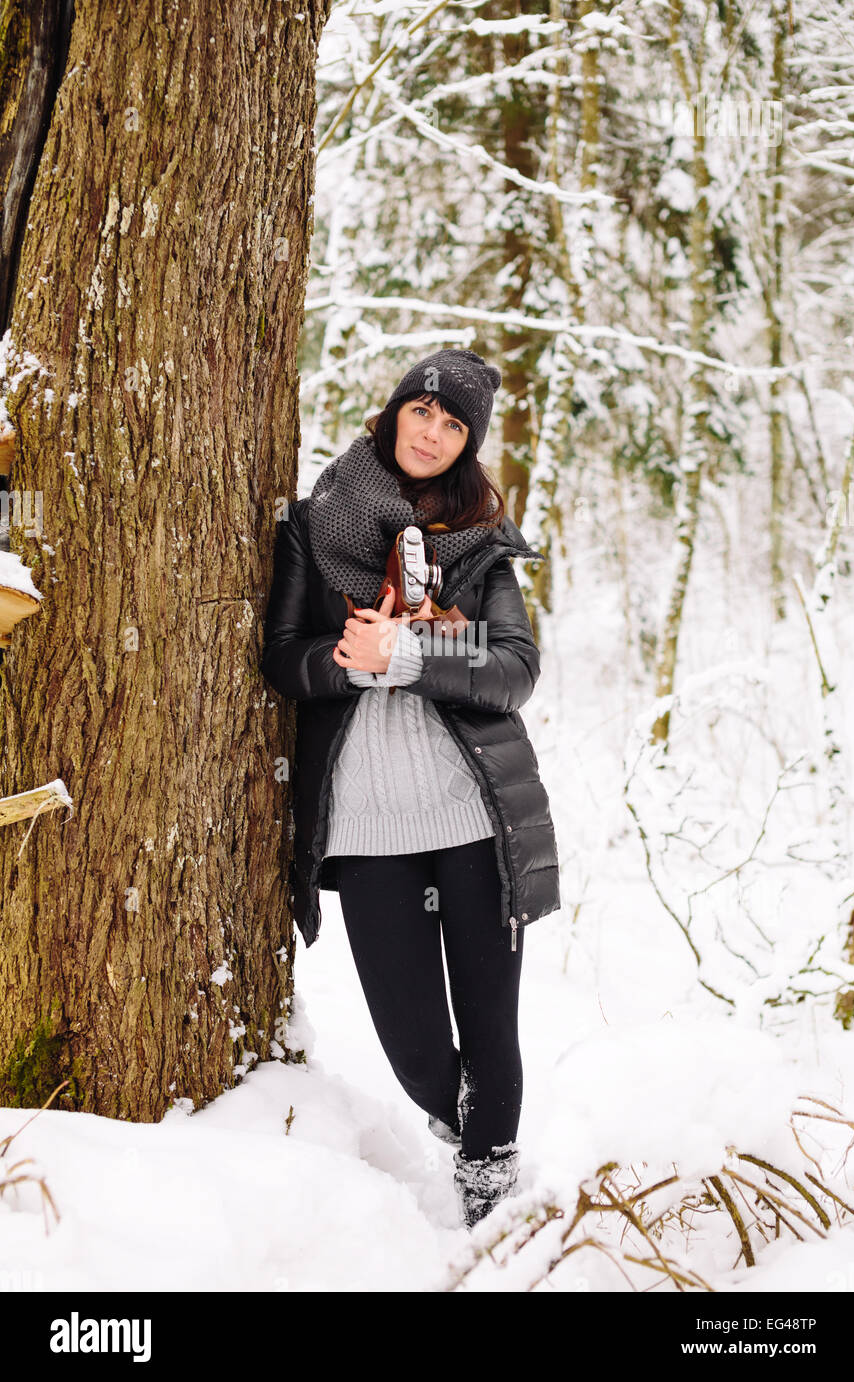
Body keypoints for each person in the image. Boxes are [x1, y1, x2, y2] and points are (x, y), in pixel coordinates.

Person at [261, 348, 560, 1229]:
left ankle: (491, 1211)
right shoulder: (314, 524)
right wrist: (351, 661)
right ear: (395, 412)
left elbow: (514, 667)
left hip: (473, 814)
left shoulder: (482, 545)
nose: (432, 433)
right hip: (365, 824)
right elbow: (283, 658)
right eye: (422, 411)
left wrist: (420, 651)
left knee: (491, 1026)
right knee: (417, 1047)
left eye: (453, 424)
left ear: (468, 444)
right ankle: (469, 1127)